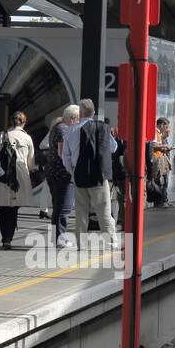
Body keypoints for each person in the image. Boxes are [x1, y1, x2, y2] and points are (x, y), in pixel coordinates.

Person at [62, 98, 118, 245]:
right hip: (98, 175)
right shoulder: (103, 128)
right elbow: (113, 148)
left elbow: (65, 157)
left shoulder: (71, 131)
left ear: (80, 113)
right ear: (93, 112)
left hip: (79, 176)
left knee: (81, 212)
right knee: (104, 210)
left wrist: (72, 172)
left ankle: (81, 244)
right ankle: (111, 242)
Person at [0, 110, 37, 249]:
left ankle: (4, 237)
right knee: (13, 208)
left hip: (3, 175)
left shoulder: (2, 136)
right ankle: (9, 239)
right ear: (24, 123)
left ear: (11, 121)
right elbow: (30, 162)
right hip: (19, 175)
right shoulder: (27, 138)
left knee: (4, 208)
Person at [43, 111, 76, 246]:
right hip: (61, 174)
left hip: (53, 173)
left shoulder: (57, 127)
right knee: (64, 208)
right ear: (73, 118)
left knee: (58, 207)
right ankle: (60, 238)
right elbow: (62, 153)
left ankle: (56, 238)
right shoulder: (64, 130)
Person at [146, 117, 173, 209]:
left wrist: (163, 148)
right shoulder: (155, 133)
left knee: (160, 180)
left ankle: (160, 200)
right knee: (158, 181)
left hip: (159, 158)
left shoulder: (158, 134)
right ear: (161, 124)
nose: (166, 129)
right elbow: (153, 146)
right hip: (156, 159)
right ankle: (158, 201)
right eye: (165, 127)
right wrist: (164, 145)